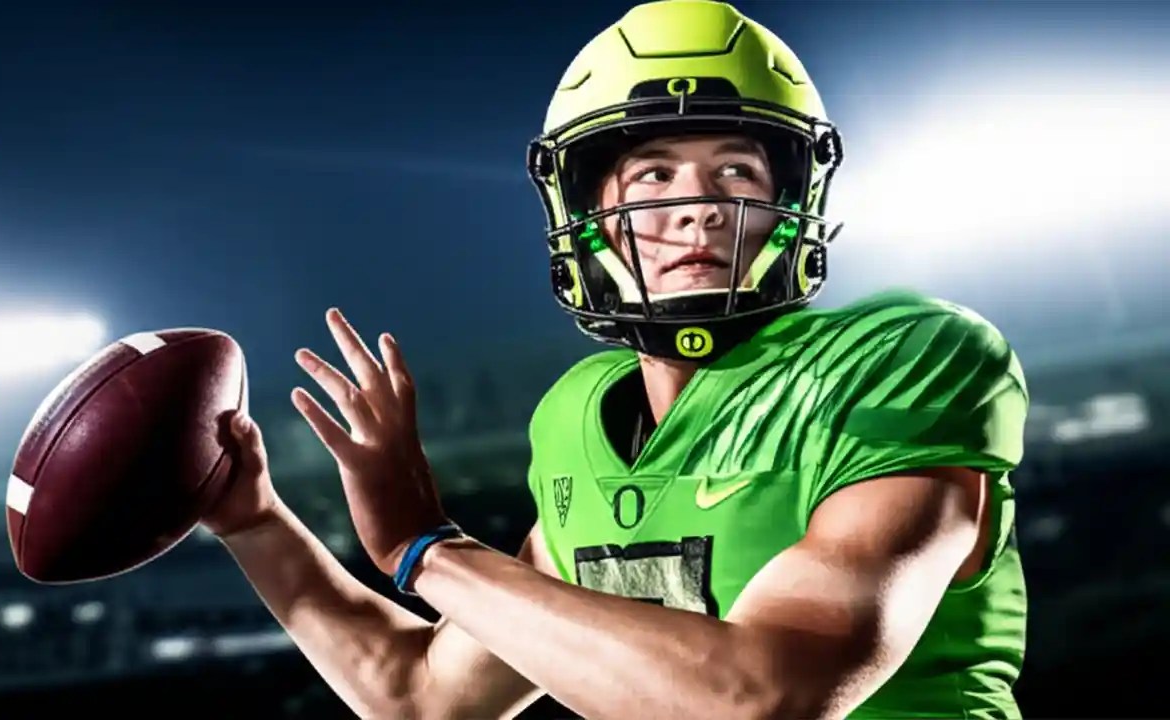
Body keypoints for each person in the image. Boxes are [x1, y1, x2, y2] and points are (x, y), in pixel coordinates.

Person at [205, 1, 1030, 718]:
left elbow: (763, 699)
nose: (696, 211)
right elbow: (423, 696)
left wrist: (428, 551)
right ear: (590, 216)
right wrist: (254, 522)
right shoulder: (576, 418)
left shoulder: (906, 356)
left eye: (735, 173)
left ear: (788, 206)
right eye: (653, 177)